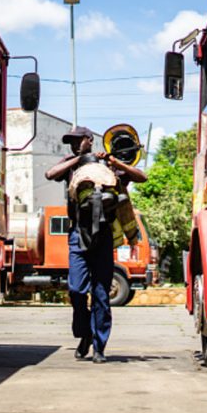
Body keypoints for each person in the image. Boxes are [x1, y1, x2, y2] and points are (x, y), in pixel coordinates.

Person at [45, 126, 147, 363]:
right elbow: (50, 174)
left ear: (89, 140)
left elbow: (142, 177)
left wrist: (114, 163)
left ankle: (100, 347)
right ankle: (85, 334)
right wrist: (79, 159)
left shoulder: (108, 166)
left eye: (77, 141)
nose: (73, 144)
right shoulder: (73, 162)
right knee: (77, 290)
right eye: (70, 142)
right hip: (78, 234)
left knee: (101, 294)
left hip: (103, 236)